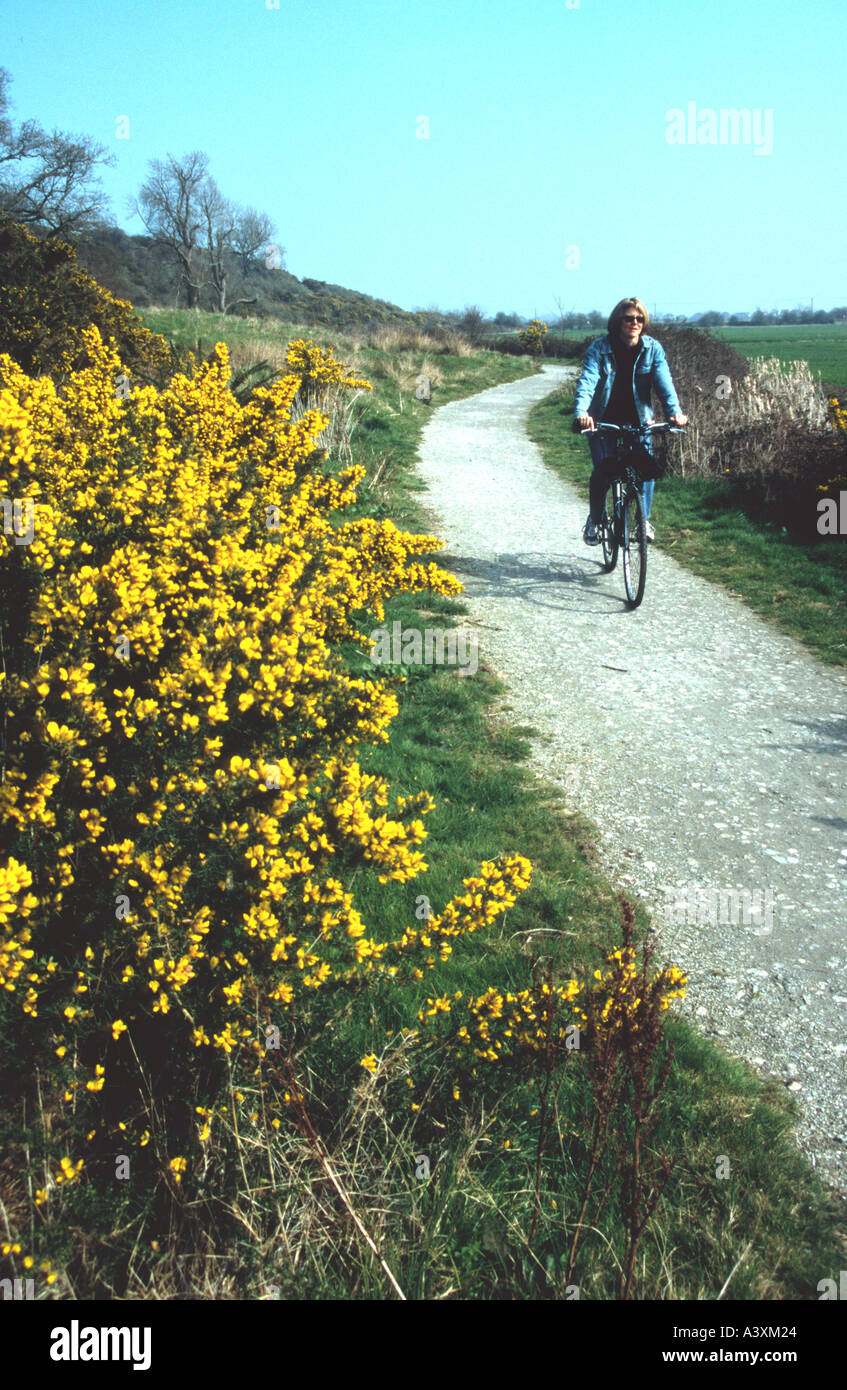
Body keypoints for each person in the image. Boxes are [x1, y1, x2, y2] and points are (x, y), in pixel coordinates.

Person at [573, 298, 688, 544]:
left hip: (639, 421)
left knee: (645, 471)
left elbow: (664, 383)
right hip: (603, 421)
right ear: (618, 321)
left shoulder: (652, 349)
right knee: (604, 472)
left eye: (639, 318)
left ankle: (642, 520)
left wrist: (674, 412)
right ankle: (595, 518)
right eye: (629, 318)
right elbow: (588, 381)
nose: (634, 323)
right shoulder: (599, 348)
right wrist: (582, 413)